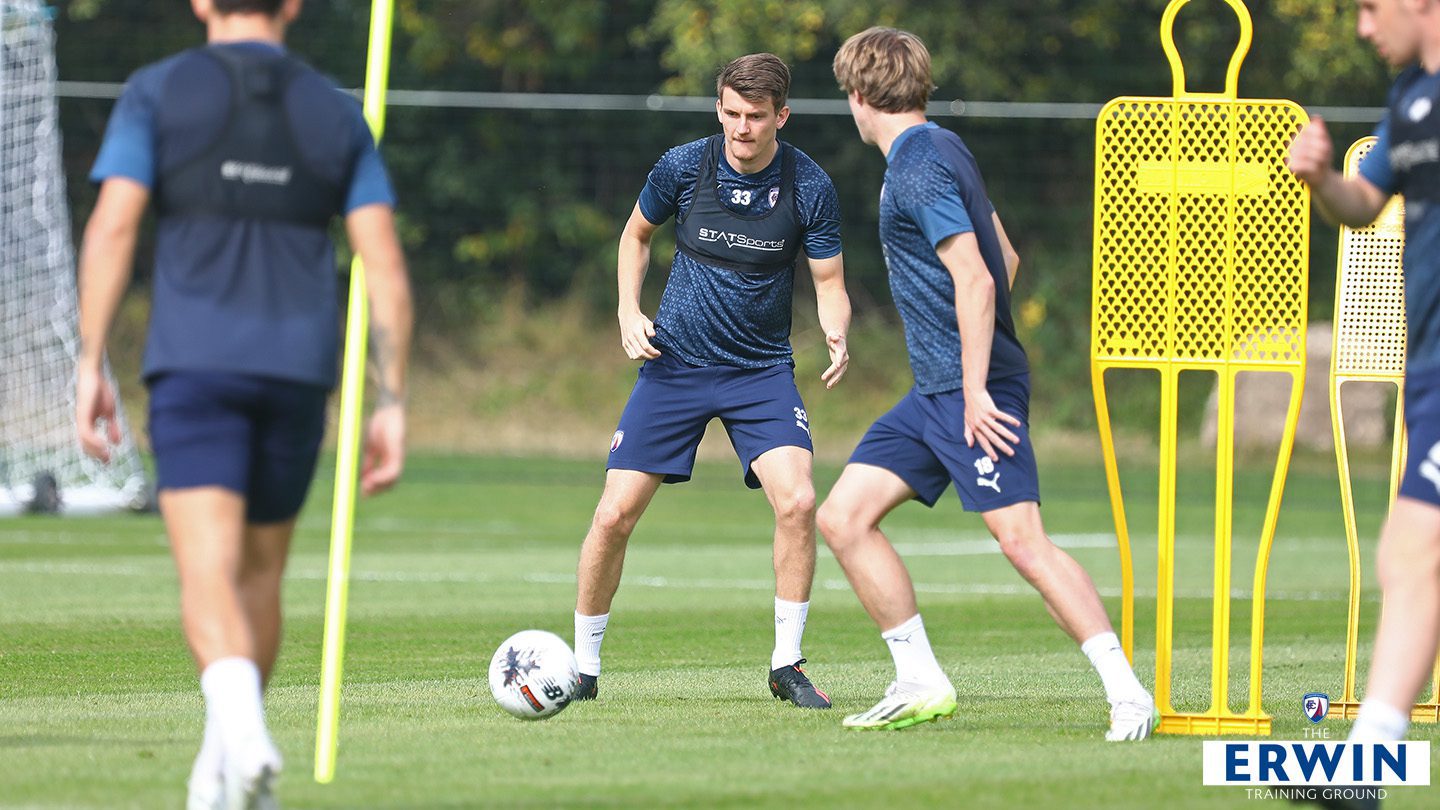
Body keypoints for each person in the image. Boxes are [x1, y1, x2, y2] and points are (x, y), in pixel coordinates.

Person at [74, 1, 413, 807]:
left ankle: (248, 735)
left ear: (201, 2)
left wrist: (89, 359)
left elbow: (114, 227)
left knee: (207, 570)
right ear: (291, 5)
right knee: (261, 572)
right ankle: (223, 766)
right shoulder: (338, 111)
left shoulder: (155, 91)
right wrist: (391, 397)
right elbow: (385, 262)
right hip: (298, 370)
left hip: (195, 364)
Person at [821, 27, 1155, 738]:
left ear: (857, 96)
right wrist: (966, 359)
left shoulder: (914, 168)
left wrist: (977, 385)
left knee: (1023, 542)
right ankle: (918, 679)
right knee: (842, 517)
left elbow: (977, 273)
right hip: (939, 390)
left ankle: (1128, 693)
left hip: (968, 392)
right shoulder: (943, 145)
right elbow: (1007, 256)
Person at [572, 53, 851, 710]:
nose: (741, 128)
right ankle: (583, 668)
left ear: (781, 115)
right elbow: (635, 237)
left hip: (760, 373)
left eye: (756, 117)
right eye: (730, 113)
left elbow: (831, 282)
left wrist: (838, 330)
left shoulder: (809, 186)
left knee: (799, 502)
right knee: (613, 515)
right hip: (674, 367)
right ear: (718, 107)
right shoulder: (682, 166)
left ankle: (787, 664)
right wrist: (627, 309)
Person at [1288, 2, 1440, 806]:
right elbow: (1362, 204)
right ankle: (1366, 769)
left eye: (1373, 7)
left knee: (1413, 554)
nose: (1360, 27)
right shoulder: (1412, 96)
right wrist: (1321, 178)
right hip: (1432, 367)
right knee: (1411, 555)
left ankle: (1364, 769)